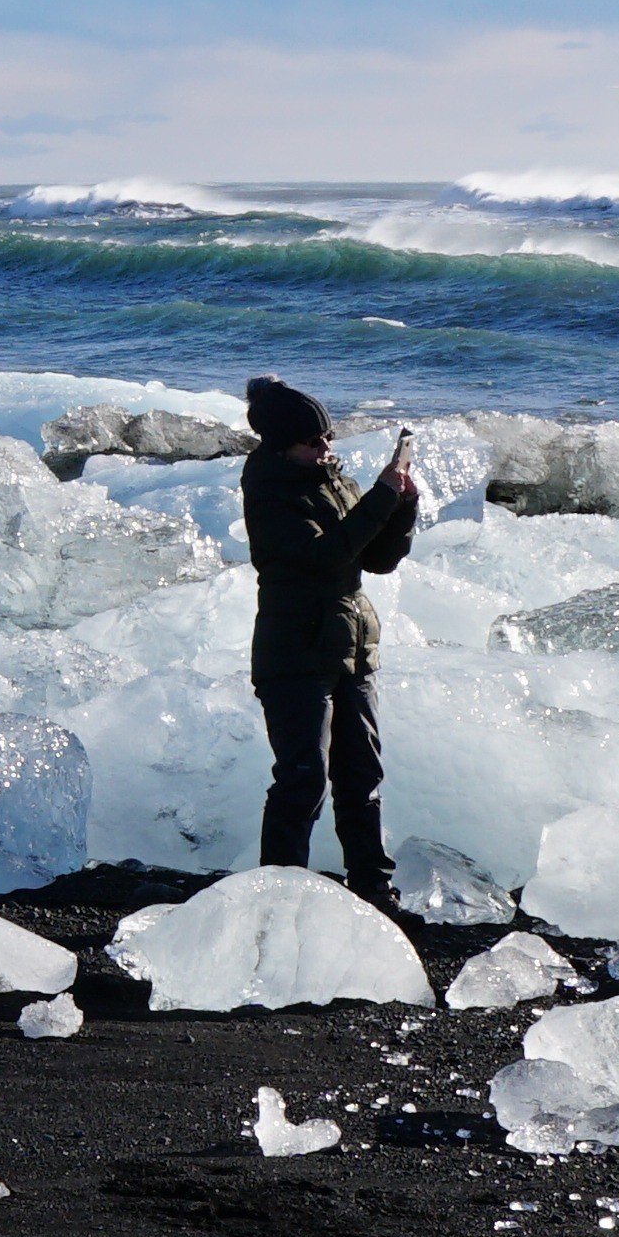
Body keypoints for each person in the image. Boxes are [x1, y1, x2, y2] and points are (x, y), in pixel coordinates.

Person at [242, 376, 425, 891]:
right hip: (294, 649)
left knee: (362, 777)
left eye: (328, 438)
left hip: (351, 643)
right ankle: (279, 892)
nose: (325, 449)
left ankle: (373, 885)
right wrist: (380, 496)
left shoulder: (331, 480)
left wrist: (401, 502)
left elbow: (379, 558)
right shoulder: (268, 493)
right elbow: (324, 557)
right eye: (312, 442)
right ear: (282, 445)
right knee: (302, 781)